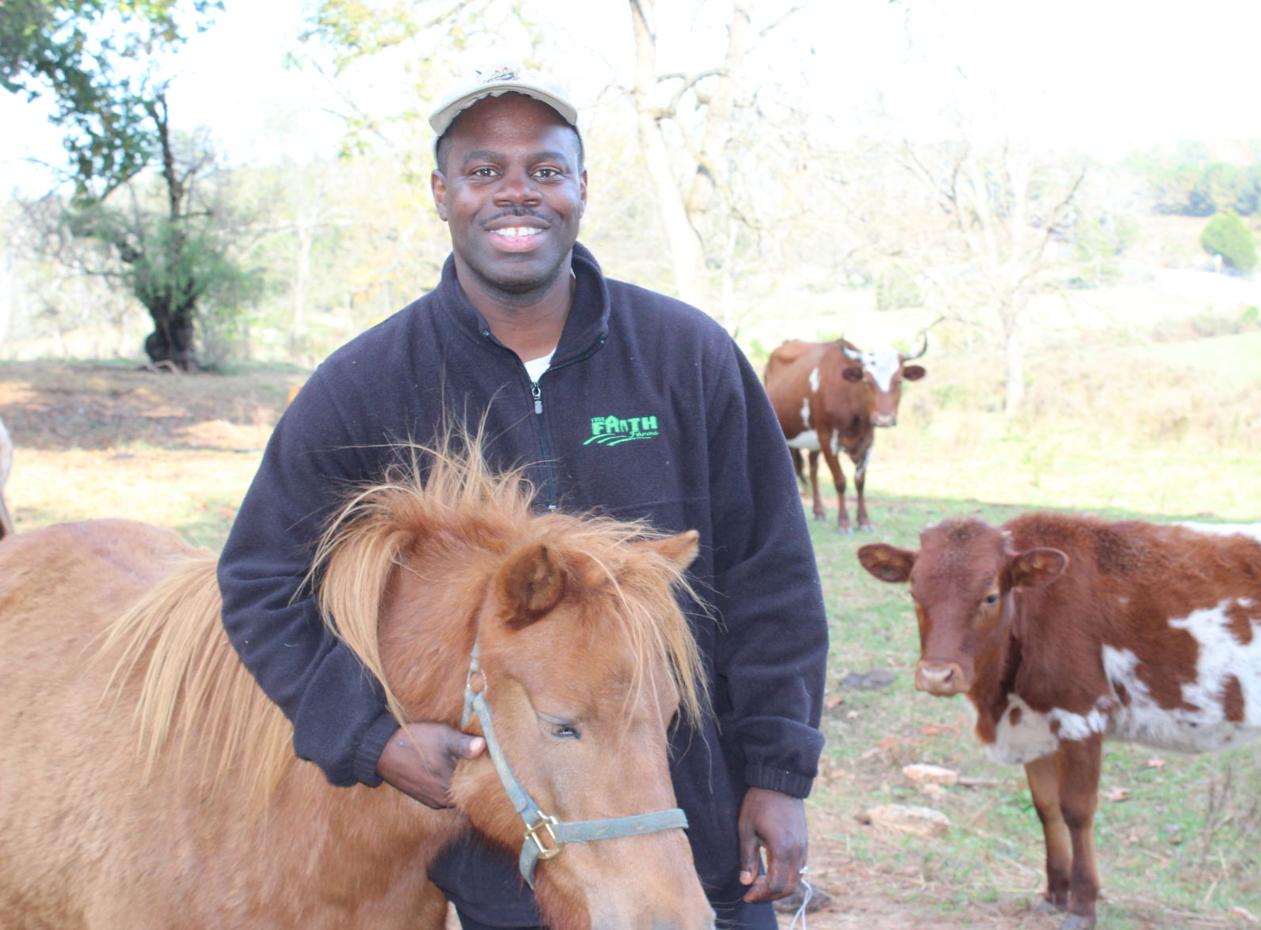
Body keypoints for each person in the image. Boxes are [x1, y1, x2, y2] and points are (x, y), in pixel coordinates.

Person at [216, 63, 828, 930]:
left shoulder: (688, 358)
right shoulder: (365, 386)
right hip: (497, 859)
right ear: (442, 192)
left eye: (544, 170)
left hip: (688, 820)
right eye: (483, 171)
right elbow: (259, 581)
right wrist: (369, 740)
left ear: (582, 186)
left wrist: (776, 772)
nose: (517, 194)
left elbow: (773, 578)